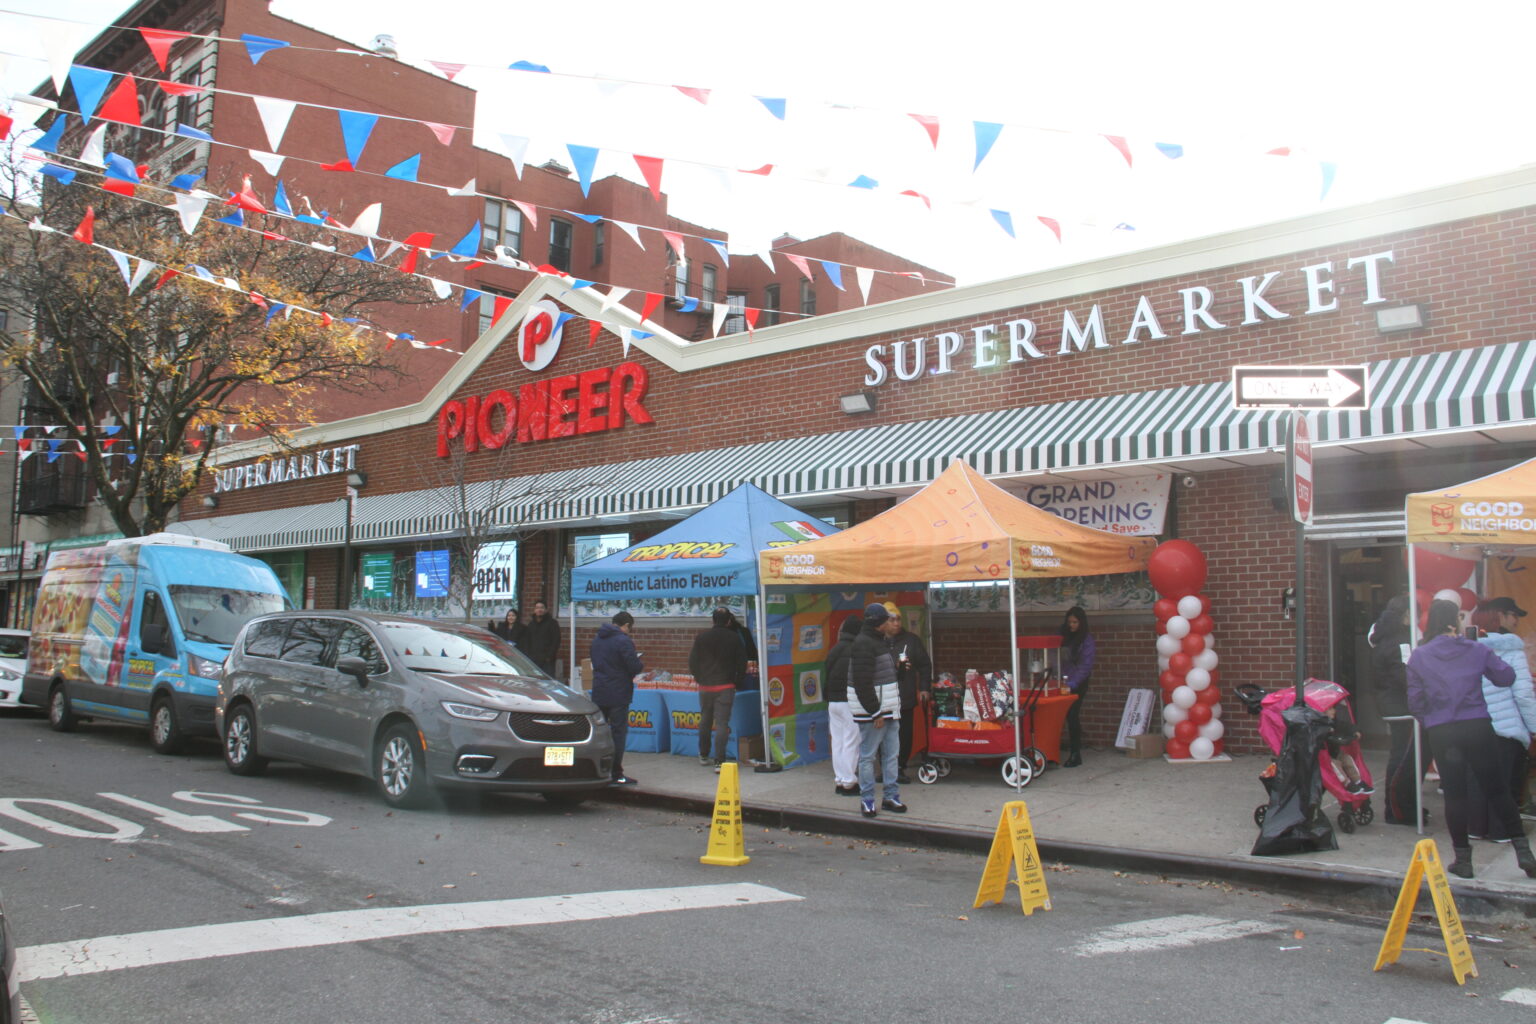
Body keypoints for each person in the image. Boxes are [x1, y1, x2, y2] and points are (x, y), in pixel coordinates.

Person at [1406, 598, 1535, 878]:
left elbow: (1415, 702)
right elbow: (1505, 678)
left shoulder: (1420, 655)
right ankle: (1524, 852)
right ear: (1455, 622)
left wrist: (1432, 722)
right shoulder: (1476, 649)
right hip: (1477, 726)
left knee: (1455, 795)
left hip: (1443, 731)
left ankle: (1463, 860)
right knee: (1498, 790)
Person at [1467, 597, 1536, 842]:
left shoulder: (1468, 647)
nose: (1516, 620)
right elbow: (1523, 693)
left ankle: (1475, 828)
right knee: (1503, 781)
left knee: (1476, 778)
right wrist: (1533, 726)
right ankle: (1501, 831)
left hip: (1473, 723)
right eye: (1512, 615)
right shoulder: (1511, 649)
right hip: (1505, 727)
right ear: (1500, 617)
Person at [1369, 595, 1425, 825]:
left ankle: (1403, 806)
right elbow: (1405, 676)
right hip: (1403, 707)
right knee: (1403, 760)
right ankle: (1399, 809)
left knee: (1403, 758)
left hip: (1394, 704)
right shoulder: (1401, 642)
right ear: (1406, 615)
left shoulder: (1383, 637)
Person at [849, 602, 904, 818]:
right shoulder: (863, 644)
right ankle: (868, 800)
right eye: (887, 620)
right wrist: (875, 712)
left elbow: (881, 676)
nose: (891, 623)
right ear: (879, 623)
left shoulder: (880, 641)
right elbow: (862, 682)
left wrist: (899, 670)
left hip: (888, 708)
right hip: (876, 712)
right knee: (868, 756)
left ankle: (890, 796)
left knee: (891, 755)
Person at [689, 608, 746, 771]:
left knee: (705, 720)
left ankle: (703, 754)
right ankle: (719, 761)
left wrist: (699, 678)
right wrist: (737, 682)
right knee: (722, 723)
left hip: (706, 686)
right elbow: (742, 663)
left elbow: (693, 662)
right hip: (726, 686)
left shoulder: (701, 637)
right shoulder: (734, 638)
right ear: (728, 621)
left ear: (713, 620)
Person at [590, 610, 643, 786]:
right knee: (618, 733)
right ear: (626, 625)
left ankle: (598, 769)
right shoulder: (623, 640)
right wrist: (639, 663)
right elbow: (634, 666)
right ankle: (615, 773)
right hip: (619, 692)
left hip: (599, 690)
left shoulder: (597, 639)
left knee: (600, 732)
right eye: (630, 628)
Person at [883, 601, 932, 784]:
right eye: (892, 620)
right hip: (883, 698)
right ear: (884, 622)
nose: (896, 623)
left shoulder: (911, 641)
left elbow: (925, 665)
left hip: (905, 696)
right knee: (883, 735)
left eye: (898, 619)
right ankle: (886, 768)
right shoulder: (876, 642)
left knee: (904, 734)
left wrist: (925, 688)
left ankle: (900, 767)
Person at [824, 615, 864, 796]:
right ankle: (849, 782)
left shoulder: (834, 649)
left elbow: (827, 673)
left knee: (838, 742)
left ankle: (840, 779)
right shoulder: (856, 650)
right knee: (851, 741)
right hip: (849, 701)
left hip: (833, 701)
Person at [1060, 606, 1095, 768]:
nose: (1071, 625)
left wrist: (1073, 683)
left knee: (1073, 715)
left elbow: (1085, 666)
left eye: (1075, 622)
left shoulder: (1086, 640)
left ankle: (1075, 753)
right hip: (1063, 680)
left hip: (1078, 683)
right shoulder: (1063, 635)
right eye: (1069, 622)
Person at [522, 599, 561, 677]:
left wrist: (549, 656)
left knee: (548, 681)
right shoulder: (531, 624)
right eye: (537, 608)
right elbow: (527, 641)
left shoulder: (552, 623)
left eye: (542, 607)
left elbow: (556, 641)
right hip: (533, 660)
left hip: (547, 661)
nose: (539, 610)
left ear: (546, 609)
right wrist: (529, 656)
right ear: (534, 610)